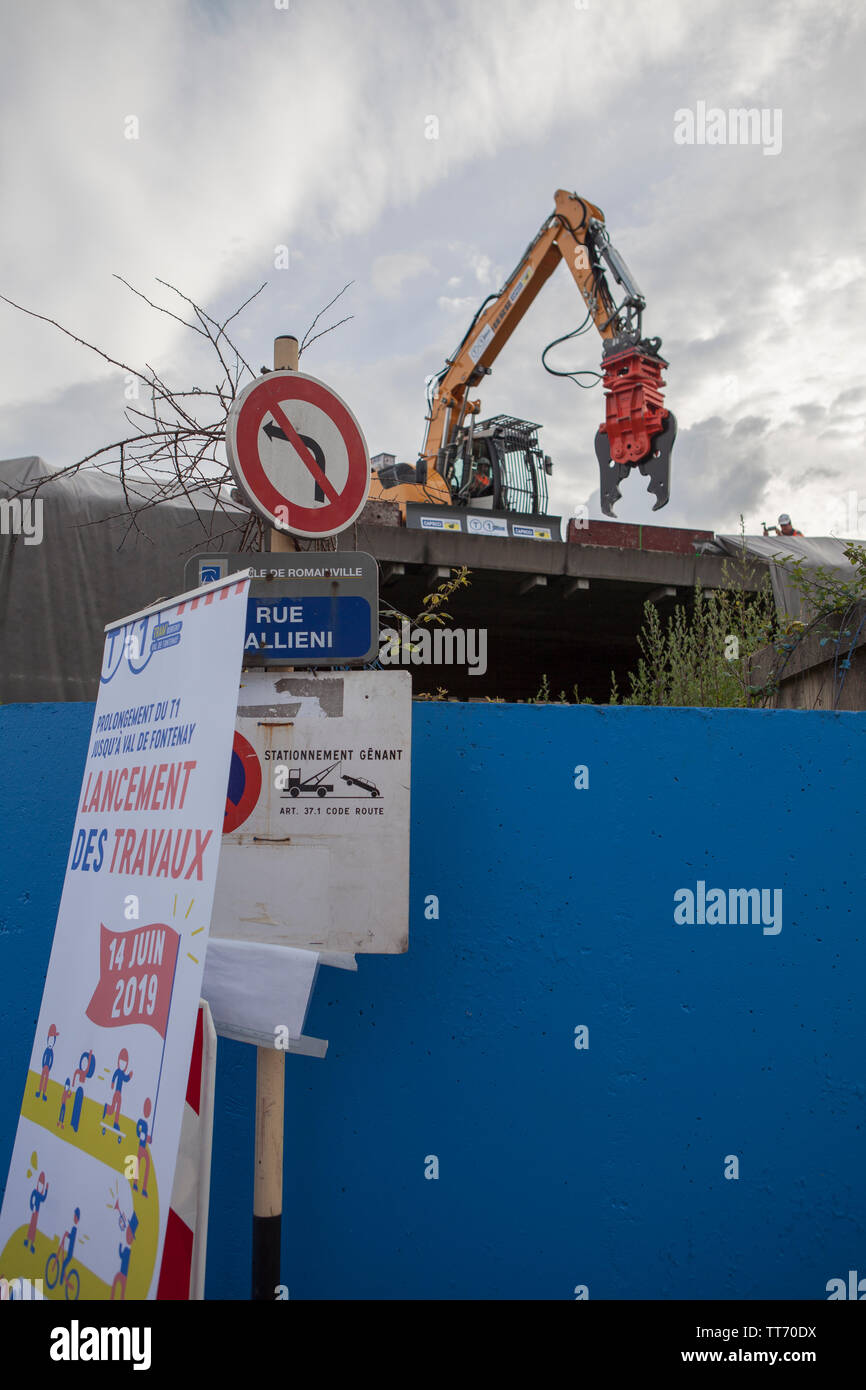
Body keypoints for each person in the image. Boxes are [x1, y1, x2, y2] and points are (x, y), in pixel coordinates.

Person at [24, 1172, 48, 1253]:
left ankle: (31, 1244)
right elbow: (31, 1198)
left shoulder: (40, 1195)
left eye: (42, 1185)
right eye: (40, 1184)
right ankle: (27, 1240)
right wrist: (31, 1206)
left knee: (34, 1228)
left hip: (37, 1213)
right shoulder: (35, 1191)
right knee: (31, 1227)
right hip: (34, 1211)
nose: (41, 1186)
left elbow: (44, 1198)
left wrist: (47, 1190)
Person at [59, 1208, 79, 1287]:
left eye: (74, 1216)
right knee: (64, 1264)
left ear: (77, 1217)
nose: (73, 1217)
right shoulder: (74, 1227)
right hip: (70, 1250)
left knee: (64, 1264)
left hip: (70, 1252)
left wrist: (67, 1234)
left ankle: (62, 1281)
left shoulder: (75, 1228)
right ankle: (62, 1280)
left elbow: (72, 1238)